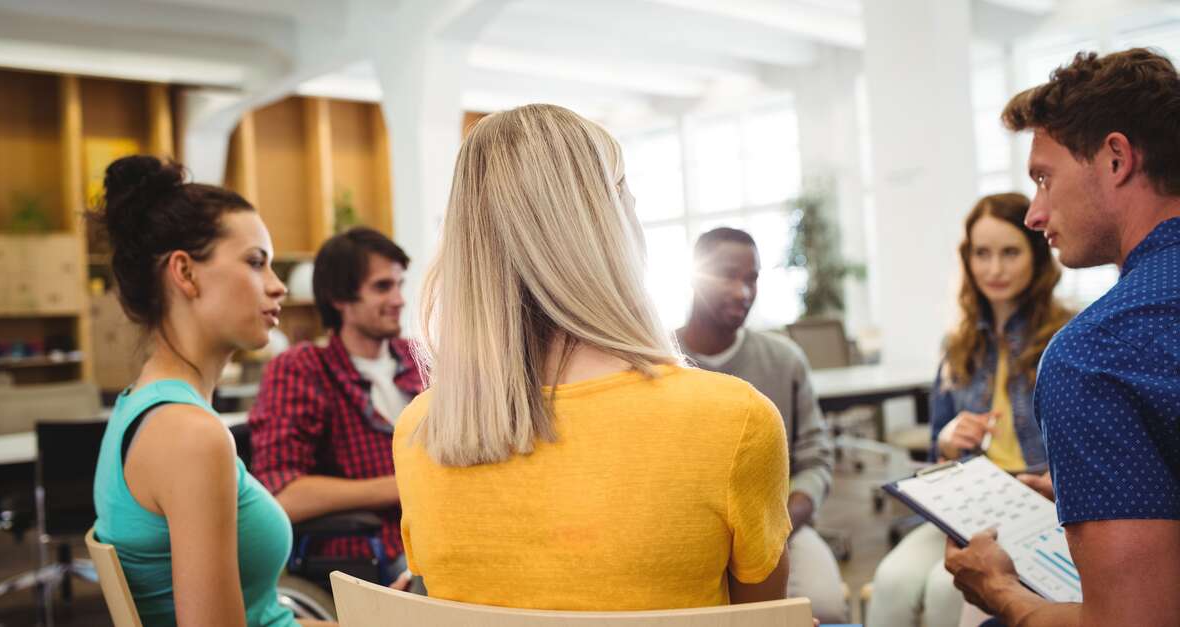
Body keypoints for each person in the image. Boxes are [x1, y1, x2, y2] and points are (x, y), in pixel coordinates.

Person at [393, 103, 793, 610]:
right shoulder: (734, 422)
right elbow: (760, 619)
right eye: (630, 201)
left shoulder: (421, 432)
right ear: (612, 230)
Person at [945, 48, 1180, 626]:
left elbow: (1131, 623)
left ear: (1116, 157)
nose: (1035, 213)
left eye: (1044, 178)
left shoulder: (1094, 354)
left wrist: (1000, 591)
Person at [90, 156, 331, 626]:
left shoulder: (145, 407)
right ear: (185, 273)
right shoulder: (188, 435)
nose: (277, 286)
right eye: (256, 263)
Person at [867, 192, 1071, 627]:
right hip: (965, 506)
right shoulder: (958, 345)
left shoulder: (1067, 335)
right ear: (968, 258)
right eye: (982, 253)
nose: (994, 269)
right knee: (891, 582)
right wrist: (945, 439)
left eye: (1010, 252)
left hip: (1032, 508)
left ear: (1036, 255)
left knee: (947, 588)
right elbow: (937, 454)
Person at [676, 227, 845, 623]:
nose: (742, 291)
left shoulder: (784, 360)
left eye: (751, 278)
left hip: (780, 531)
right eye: (726, 275)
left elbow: (816, 459)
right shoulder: (657, 362)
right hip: (688, 537)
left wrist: (779, 528)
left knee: (826, 608)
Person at [249, 227, 422, 586]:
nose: (399, 299)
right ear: (339, 298)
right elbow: (281, 494)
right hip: (369, 552)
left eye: (400, 284)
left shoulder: (419, 359)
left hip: (441, 532)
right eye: (382, 287)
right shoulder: (303, 369)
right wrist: (405, 484)